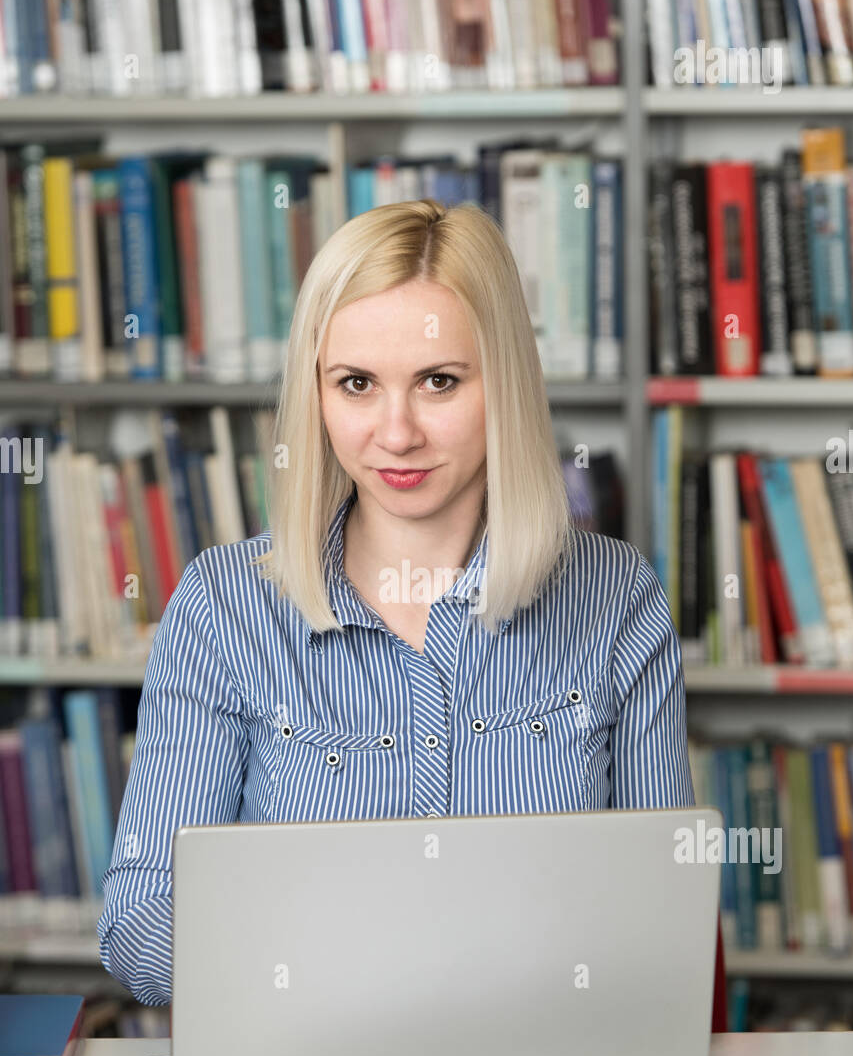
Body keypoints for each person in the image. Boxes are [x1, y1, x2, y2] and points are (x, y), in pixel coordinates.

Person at [98, 198, 703, 1010]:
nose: (396, 433)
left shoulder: (617, 600)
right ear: (317, 395)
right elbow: (138, 921)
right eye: (356, 384)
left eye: (438, 382)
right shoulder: (224, 609)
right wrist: (334, 967)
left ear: (505, 386)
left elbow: (666, 911)